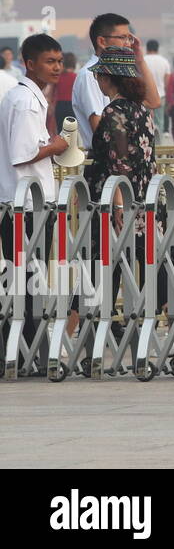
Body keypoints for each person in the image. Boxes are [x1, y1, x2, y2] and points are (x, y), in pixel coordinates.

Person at [82, 46, 157, 337]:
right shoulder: (142, 110)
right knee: (132, 264)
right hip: (142, 195)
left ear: (107, 78)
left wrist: (117, 208)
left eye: (100, 75)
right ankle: (128, 321)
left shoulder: (113, 111)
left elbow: (118, 163)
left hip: (117, 201)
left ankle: (100, 326)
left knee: (106, 264)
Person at [0, 34, 67, 354]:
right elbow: (22, 153)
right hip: (27, 206)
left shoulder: (25, 97)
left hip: (25, 202)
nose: (56, 67)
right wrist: (56, 146)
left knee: (28, 276)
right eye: (49, 61)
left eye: (59, 61)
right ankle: (26, 347)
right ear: (30, 64)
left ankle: (26, 346)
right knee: (30, 277)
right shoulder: (26, 101)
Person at [72, 13, 160, 138]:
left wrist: (140, 60)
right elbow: (99, 129)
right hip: (112, 153)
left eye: (129, 38)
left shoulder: (122, 72)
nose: (128, 43)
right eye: (123, 38)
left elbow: (154, 102)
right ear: (102, 41)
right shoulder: (90, 74)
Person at [143, 39, 170, 136]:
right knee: (160, 121)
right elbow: (167, 82)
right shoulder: (164, 62)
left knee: (145, 121)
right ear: (158, 48)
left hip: (145, 96)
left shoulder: (143, 61)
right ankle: (159, 145)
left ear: (147, 48)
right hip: (161, 95)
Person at [52, 51, 77, 133]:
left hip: (60, 106)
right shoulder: (76, 77)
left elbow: (51, 93)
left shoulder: (57, 77)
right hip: (72, 106)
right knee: (73, 131)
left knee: (61, 131)